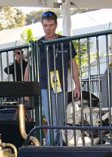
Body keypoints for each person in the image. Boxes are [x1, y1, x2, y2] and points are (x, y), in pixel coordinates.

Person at [24, 11, 81, 146]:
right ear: (42, 25)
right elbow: (28, 68)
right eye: (45, 25)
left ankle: (57, 148)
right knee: (53, 122)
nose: (48, 28)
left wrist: (77, 85)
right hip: (44, 87)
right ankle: (49, 149)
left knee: (60, 121)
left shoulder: (65, 42)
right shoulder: (38, 45)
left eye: (50, 25)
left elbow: (73, 65)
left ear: (56, 25)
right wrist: (26, 91)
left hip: (61, 87)